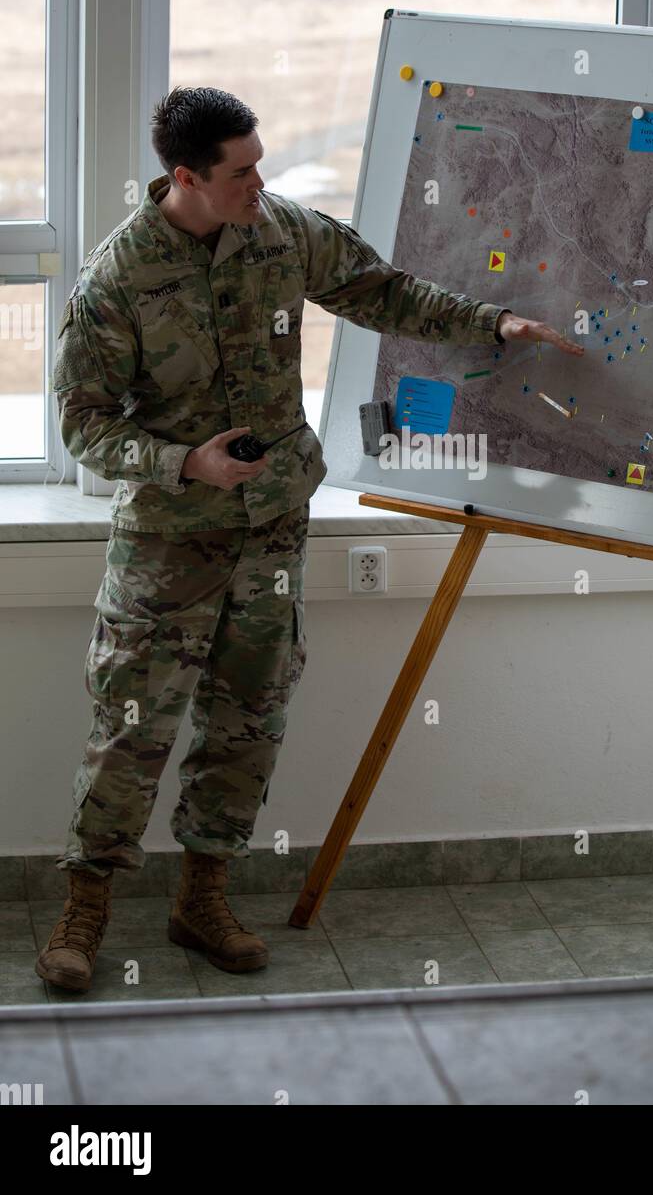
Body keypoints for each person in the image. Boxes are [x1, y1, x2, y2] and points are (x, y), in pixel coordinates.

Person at [35, 85, 584, 993]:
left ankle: (201, 898)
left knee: (249, 719)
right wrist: (183, 464)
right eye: (243, 171)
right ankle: (84, 910)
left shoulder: (283, 233)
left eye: (261, 163)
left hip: (273, 533)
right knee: (129, 730)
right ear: (186, 177)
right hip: (170, 543)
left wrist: (492, 323)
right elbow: (83, 426)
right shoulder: (119, 279)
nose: (262, 182)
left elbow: (381, 292)